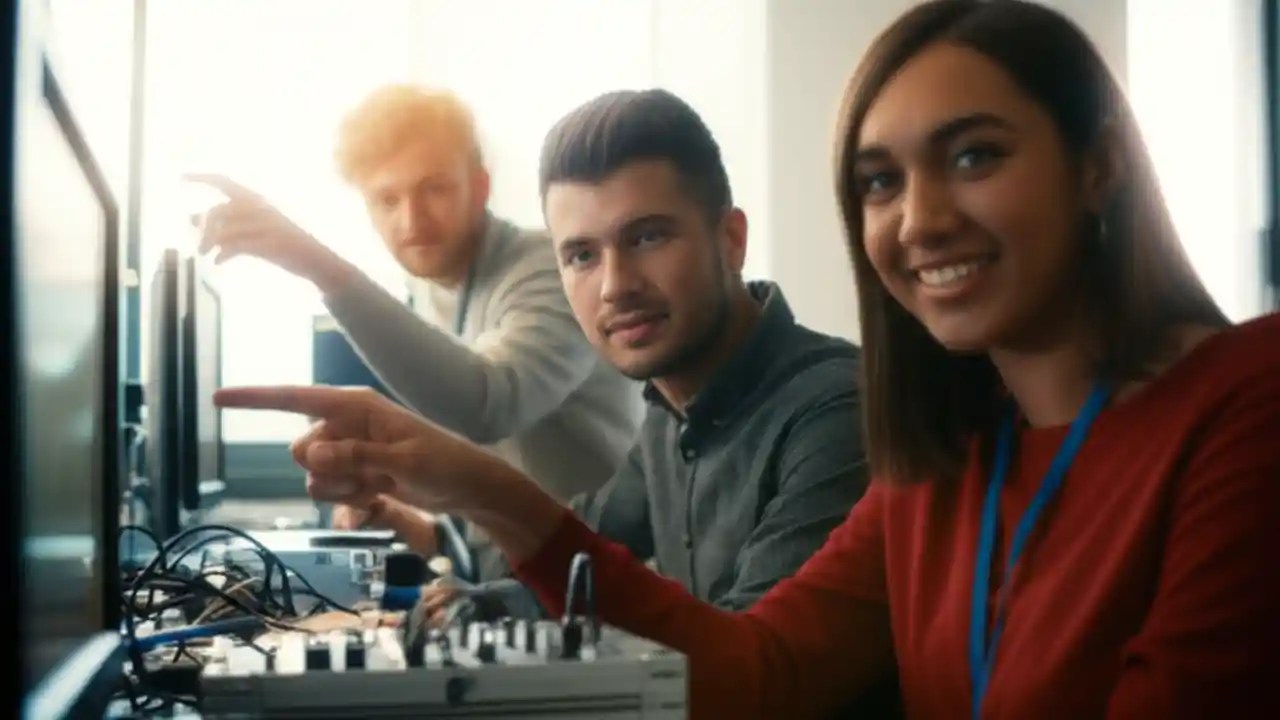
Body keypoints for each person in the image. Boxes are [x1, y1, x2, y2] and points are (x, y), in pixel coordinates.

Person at [215, 1, 1280, 718]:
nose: (920, 220)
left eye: (973, 156)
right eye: (876, 181)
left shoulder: (1248, 402)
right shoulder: (944, 452)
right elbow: (751, 675)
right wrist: (464, 487)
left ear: (1097, 164)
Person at [412, 88, 869, 622]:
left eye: (648, 237)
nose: (614, 286)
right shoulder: (670, 409)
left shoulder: (838, 409)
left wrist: (466, 480)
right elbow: (590, 547)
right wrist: (490, 601)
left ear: (732, 240)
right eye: (582, 255)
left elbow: (755, 662)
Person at [190, 86, 643, 581]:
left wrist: (314, 263)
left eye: (435, 189)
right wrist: (404, 520)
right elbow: (497, 487)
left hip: (608, 586)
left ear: (480, 187)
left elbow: (490, 403)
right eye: (387, 198)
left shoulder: (550, 269)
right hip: (530, 578)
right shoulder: (430, 293)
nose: (412, 219)